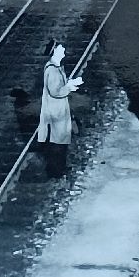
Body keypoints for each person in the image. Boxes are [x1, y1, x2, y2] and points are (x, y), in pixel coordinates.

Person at [38, 42, 84, 176]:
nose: (64, 50)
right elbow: (55, 91)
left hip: (59, 108)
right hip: (56, 110)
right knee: (58, 141)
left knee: (60, 140)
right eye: (60, 49)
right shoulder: (52, 70)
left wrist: (70, 84)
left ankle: (59, 168)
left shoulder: (57, 67)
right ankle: (56, 171)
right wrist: (69, 86)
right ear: (54, 52)